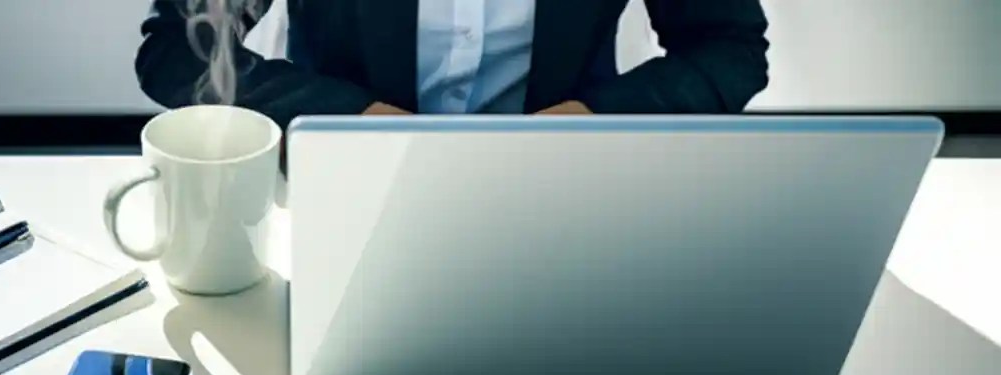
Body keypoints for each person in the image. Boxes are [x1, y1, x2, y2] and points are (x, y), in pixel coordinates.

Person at [136, 0, 769, 131]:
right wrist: (352, 119)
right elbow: (178, 50)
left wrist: (591, 120)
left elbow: (729, 47)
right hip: (344, 198)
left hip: (569, 200)